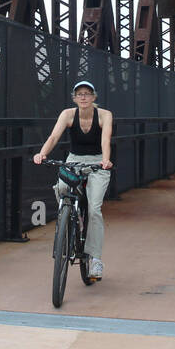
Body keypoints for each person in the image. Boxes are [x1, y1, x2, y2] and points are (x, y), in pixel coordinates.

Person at [33, 80, 113, 281]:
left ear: (94, 97)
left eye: (87, 93)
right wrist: (42, 153)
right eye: (80, 94)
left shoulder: (104, 115)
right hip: (74, 160)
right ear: (75, 98)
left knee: (94, 209)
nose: (84, 97)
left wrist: (105, 159)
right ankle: (69, 218)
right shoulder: (68, 114)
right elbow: (53, 137)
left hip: (96, 163)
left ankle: (95, 259)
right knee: (61, 188)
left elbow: (106, 139)